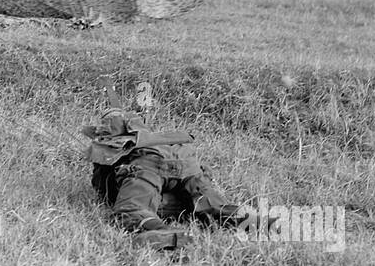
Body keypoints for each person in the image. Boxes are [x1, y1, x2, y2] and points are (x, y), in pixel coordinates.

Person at [82, 107, 254, 251]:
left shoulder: (113, 142)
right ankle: (259, 221)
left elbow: (104, 190)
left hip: (148, 167)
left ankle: (160, 232)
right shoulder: (162, 138)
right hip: (189, 167)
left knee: (131, 211)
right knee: (214, 207)